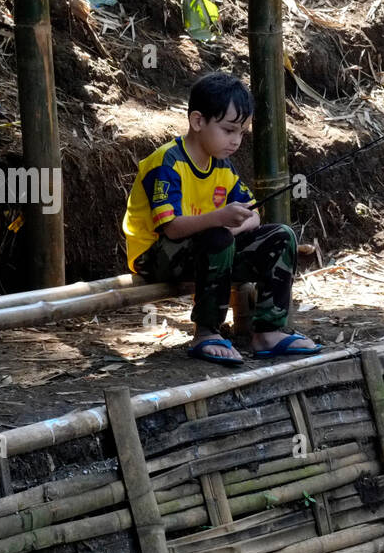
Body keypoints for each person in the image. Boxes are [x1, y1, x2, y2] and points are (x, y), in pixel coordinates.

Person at [122, 72, 321, 364]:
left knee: (280, 235)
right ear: (198, 121)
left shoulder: (222, 167)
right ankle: (206, 332)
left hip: (207, 251)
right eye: (229, 130)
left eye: (242, 132)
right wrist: (221, 219)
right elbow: (172, 229)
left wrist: (237, 219)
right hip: (155, 257)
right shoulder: (166, 163)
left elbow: (252, 215)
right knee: (217, 236)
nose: (236, 140)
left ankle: (268, 331)